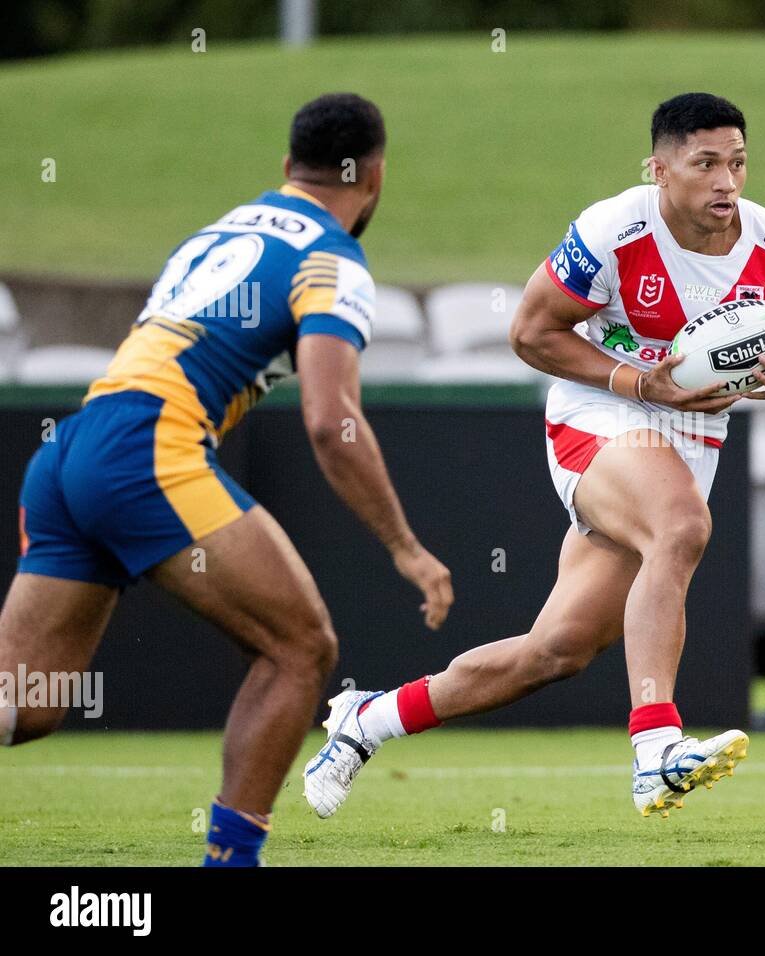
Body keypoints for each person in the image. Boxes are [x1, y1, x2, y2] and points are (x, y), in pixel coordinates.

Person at [304, 92, 765, 820]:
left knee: (556, 651)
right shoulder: (615, 229)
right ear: (660, 167)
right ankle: (656, 752)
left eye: (737, 163)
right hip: (602, 410)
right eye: (705, 164)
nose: (726, 183)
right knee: (680, 528)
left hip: (692, 435)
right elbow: (529, 331)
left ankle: (367, 721)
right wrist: (638, 380)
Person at [0, 93, 453, 865]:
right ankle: (231, 860)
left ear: (286, 169)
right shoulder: (334, 258)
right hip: (148, 448)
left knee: (25, 706)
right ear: (374, 177)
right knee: (301, 648)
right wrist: (405, 546)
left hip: (72, 448)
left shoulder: (222, 227)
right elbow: (329, 420)